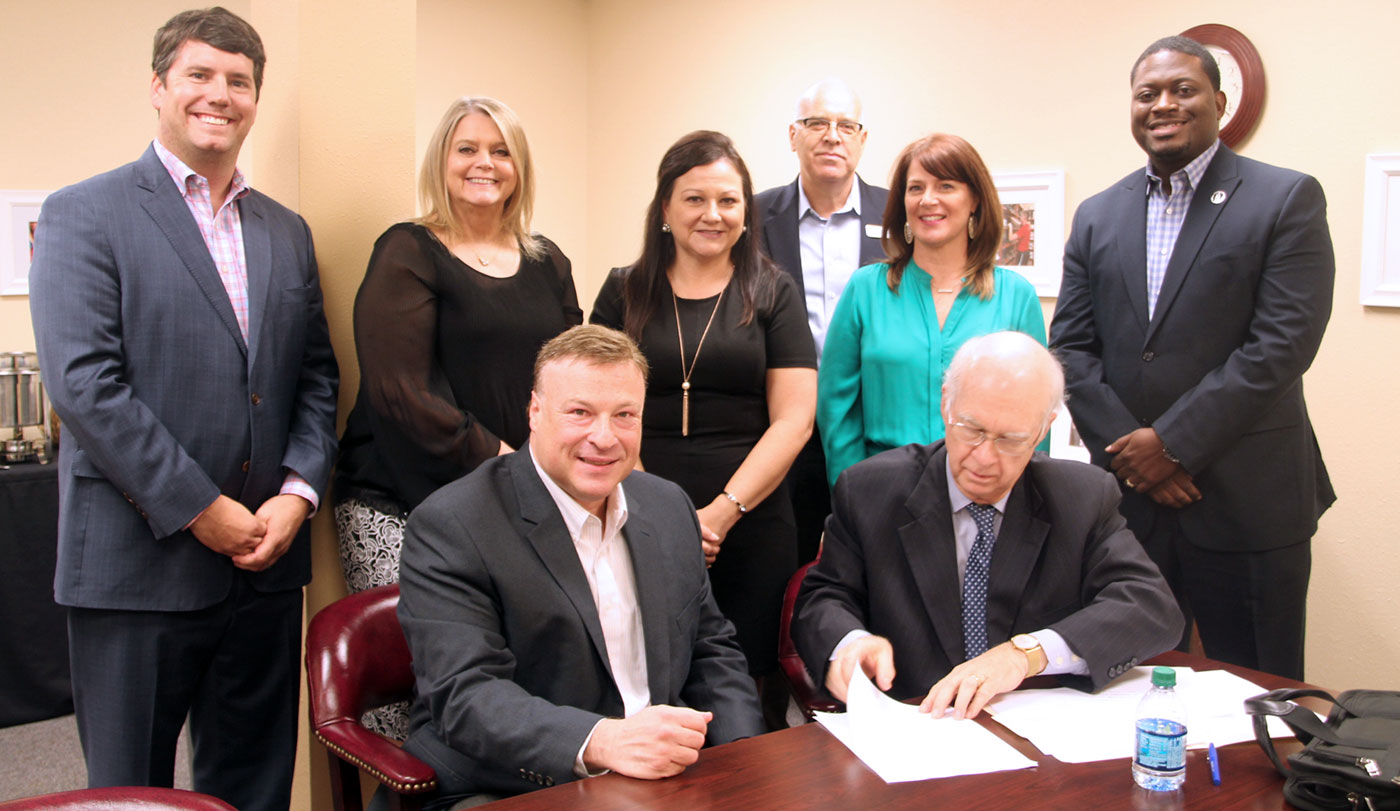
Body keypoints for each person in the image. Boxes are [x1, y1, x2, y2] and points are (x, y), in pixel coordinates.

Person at [27, 8, 339, 809]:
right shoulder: (83, 213)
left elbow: (314, 376)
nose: (219, 95)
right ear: (159, 86)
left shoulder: (286, 231)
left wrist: (296, 497)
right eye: (200, 75)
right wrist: (203, 509)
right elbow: (86, 386)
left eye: (239, 81)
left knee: (255, 787)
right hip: (138, 567)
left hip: (265, 565)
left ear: (256, 100)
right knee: (133, 794)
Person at [1049, 36, 1335, 681]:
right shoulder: (1098, 215)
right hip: (1134, 503)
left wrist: (1172, 444)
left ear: (1219, 102)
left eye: (1183, 89)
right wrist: (1137, 454)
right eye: (1147, 93)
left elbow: (1284, 344)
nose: (1163, 105)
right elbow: (1069, 346)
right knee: (1134, 685)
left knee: (1261, 690)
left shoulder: (1285, 198)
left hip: (1248, 500)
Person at [398, 325, 764, 806]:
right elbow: (467, 696)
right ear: (534, 411)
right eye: (579, 413)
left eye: (624, 415)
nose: (604, 438)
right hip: (514, 785)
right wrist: (604, 740)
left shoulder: (668, 505)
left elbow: (711, 647)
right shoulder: (452, 525)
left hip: (665, 779)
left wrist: (743, 759)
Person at [793, 332, 1181, 719]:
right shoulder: (870, 491)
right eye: (971, 429)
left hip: (1037, 733)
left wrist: (1025, 655)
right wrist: (849, 643)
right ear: (947, 403)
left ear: (1043, 429)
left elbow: (1151, 606)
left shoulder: (1082, 497)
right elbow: (825, 597)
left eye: (1011, 439)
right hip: (913, 722)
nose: (984, 458)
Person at [591, 130, 817, 729]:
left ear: (747, 211)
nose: (712, 215)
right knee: (647, 680)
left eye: (728, 200)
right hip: (632, 511)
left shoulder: (773, 291)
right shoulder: (623, 291)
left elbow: (794, 419)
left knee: (750, 692)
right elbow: (598, 410)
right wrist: (657, 510)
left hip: (752, 519)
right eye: (694, 199)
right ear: (664, 208)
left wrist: (718, 514)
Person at [335, 96, 581, 595]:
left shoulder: (549, 262)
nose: (484, 163)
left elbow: (570, 377)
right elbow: (399, 393)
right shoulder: (407, 251)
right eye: (466, 148)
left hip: (518, 500)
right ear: (441, 162)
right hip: (402, 501)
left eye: (501, 151)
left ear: (520, 167)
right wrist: (508, 464)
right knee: (424, 664)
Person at [818, 133, 1046, 488]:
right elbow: (837, 411)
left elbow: (1035, 413)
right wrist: (852, 490)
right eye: (915, 188)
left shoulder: (1016, 296)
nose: (928, 200)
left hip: (984, 492)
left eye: (946, 186)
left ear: (974, 200)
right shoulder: (865, 289)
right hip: (880, 491)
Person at [755, 78, 888, 565]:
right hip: (784, 430)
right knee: (788, 572)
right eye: (817, 124)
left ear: (862, 139)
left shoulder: (900, 216)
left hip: (871, 427)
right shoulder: (752, 216)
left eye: (845, 126)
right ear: (794, 134)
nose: (833, 136)